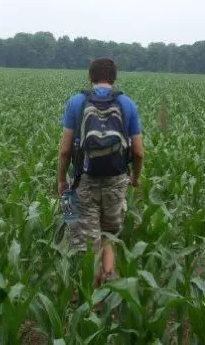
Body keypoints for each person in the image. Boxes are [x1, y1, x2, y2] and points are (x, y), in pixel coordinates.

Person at [58, 57, 144, 283]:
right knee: (109, 233)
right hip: (116, 181)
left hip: (85, 179)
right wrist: (134, 178)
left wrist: (61, 181)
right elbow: (138, 152)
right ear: (114, 78)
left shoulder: (77, 102)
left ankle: (95, 301)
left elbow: (65, 151)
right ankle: (109, 279)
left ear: (90, 77)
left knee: (90, 243)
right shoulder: (127, 104)